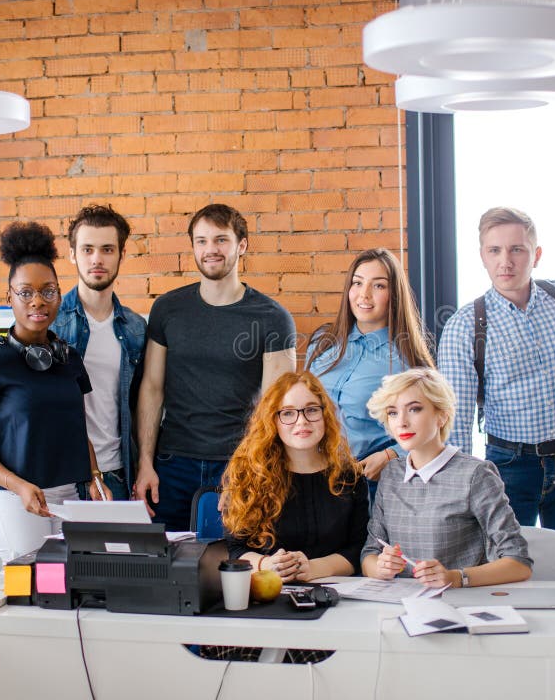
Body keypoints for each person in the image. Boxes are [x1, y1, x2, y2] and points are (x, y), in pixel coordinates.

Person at [438, 207, 555, 537]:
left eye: (517, 249)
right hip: (508, 467)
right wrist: (463, 496)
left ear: (536, 254)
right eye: (495, 251)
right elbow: (456, 422)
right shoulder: (464, 326)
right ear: (483, 256)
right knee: (509, 571)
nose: (506, 261)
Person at [135, 204, 296, 531]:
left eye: (221, 240)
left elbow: (274, 407)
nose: (210, 250)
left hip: (236, 465)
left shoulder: (272, 318)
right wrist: (145, 463)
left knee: (234, 567)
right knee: (168, 566)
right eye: (201, 241)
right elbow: (152, 388)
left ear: (242, 245)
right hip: (172, 465)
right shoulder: (168, 309)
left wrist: (249, 470)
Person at [0, 222, 111, 560]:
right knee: (30, 593)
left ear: (58, 293)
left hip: (68, 496)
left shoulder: (69, 357)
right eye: (25, 292)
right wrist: (18, 485)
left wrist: (95, 477)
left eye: (48, 290)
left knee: (65, 594)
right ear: (8, 296)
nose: (37, 301)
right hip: (15, 500)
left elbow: (79, 428)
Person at [361, 368, 532, 588]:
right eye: (393, 412)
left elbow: (519, 563)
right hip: (398, 604)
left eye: (414, 409)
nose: (401, 422)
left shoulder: (475, 475)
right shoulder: (391, 473)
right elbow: (369, 555)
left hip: (460, 607)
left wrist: (456, 578)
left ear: (442, 415)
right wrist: (380, 567)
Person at [305, 248, 434, 499]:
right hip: (314, 476)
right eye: (357, 283)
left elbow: (432, 429)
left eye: (378, 286)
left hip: (369, 482)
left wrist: (390, 455)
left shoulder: (405, 359)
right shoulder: (323, 342)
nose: (364, 295)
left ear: (394, 295)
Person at [222, 371, 368, 580]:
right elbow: (234, 548)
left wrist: (314, 568)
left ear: (325, 415)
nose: (301, 421)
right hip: (267, 591)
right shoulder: (248, 473)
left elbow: (359, 550)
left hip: (334, 592)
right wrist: (266, 564)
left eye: (311, 410)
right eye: (288, 413)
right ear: (273, 420)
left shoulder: (350, 476)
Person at [51, 204, 147, 501]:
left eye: (107, 249)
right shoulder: (48, 322)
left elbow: (139, 405)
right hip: (59, 476)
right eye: (87, 249)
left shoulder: (135, 327)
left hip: (115, 474)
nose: (97, 259)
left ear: (121, 255)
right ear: (72, 254)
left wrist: (142, 467)